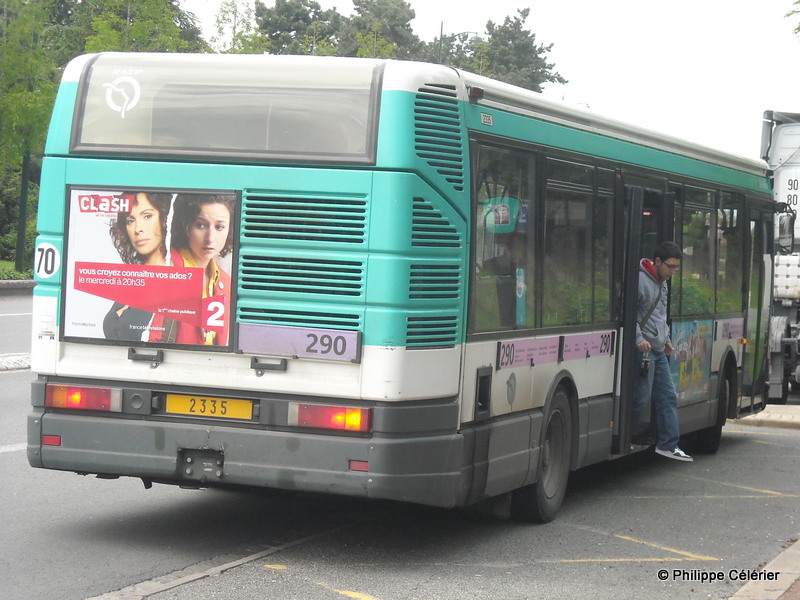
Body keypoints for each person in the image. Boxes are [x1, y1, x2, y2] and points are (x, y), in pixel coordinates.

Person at [631, 241, 693, 462]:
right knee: (641, 397)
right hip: (643, 349)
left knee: (667, 396)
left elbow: (660, 313)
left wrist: (666, 339)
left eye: (677, 268)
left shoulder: (663, 282)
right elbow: (627, 313)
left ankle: (668, 445)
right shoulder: (639, 280)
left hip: (657, 348)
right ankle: (628, 434)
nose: (673, 272)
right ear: (657, 262)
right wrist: (638, 339)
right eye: (671, 267)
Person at [157, 193, 235, 345]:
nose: (210, 238)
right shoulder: (166, 270)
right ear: (186, 226)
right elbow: (150, 336)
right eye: (201, 225)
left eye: (219, 227)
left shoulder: (225, 281)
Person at [103, 192, 172, 340]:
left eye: (147, 216)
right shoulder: (133, 278)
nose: (137, 229)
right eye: (130, 220)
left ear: (165, 219)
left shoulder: (177, 280)